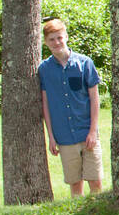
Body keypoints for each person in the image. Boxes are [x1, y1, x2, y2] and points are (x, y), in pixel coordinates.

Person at [38, 18, 103, 197]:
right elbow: (45, 104)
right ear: (46, 42)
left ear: (66, 36)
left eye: (59, 37)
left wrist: (92, 131)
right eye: (51, 39)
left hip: (87, 132)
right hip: (64, 136)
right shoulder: (44, 69)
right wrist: (51, 136)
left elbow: (94, 99)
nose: (56, 42)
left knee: (95, 182)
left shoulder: (85, 63)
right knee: (75, 184)